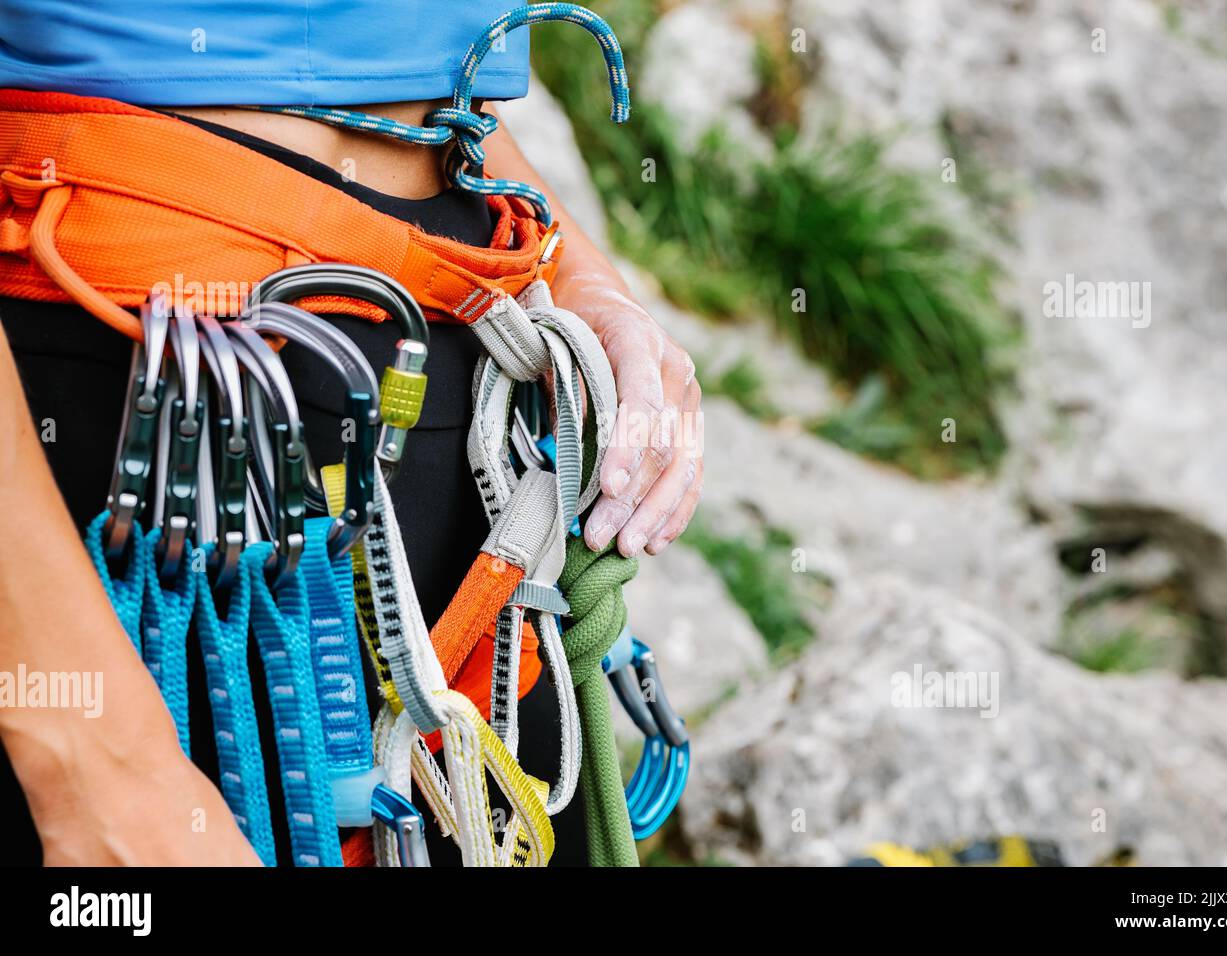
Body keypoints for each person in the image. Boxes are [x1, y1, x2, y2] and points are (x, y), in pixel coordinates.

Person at [0, 0, 702, 865]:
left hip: (463, 365)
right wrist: (88, 760)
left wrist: (588, 281)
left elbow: (430, 65)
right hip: (130, 380)